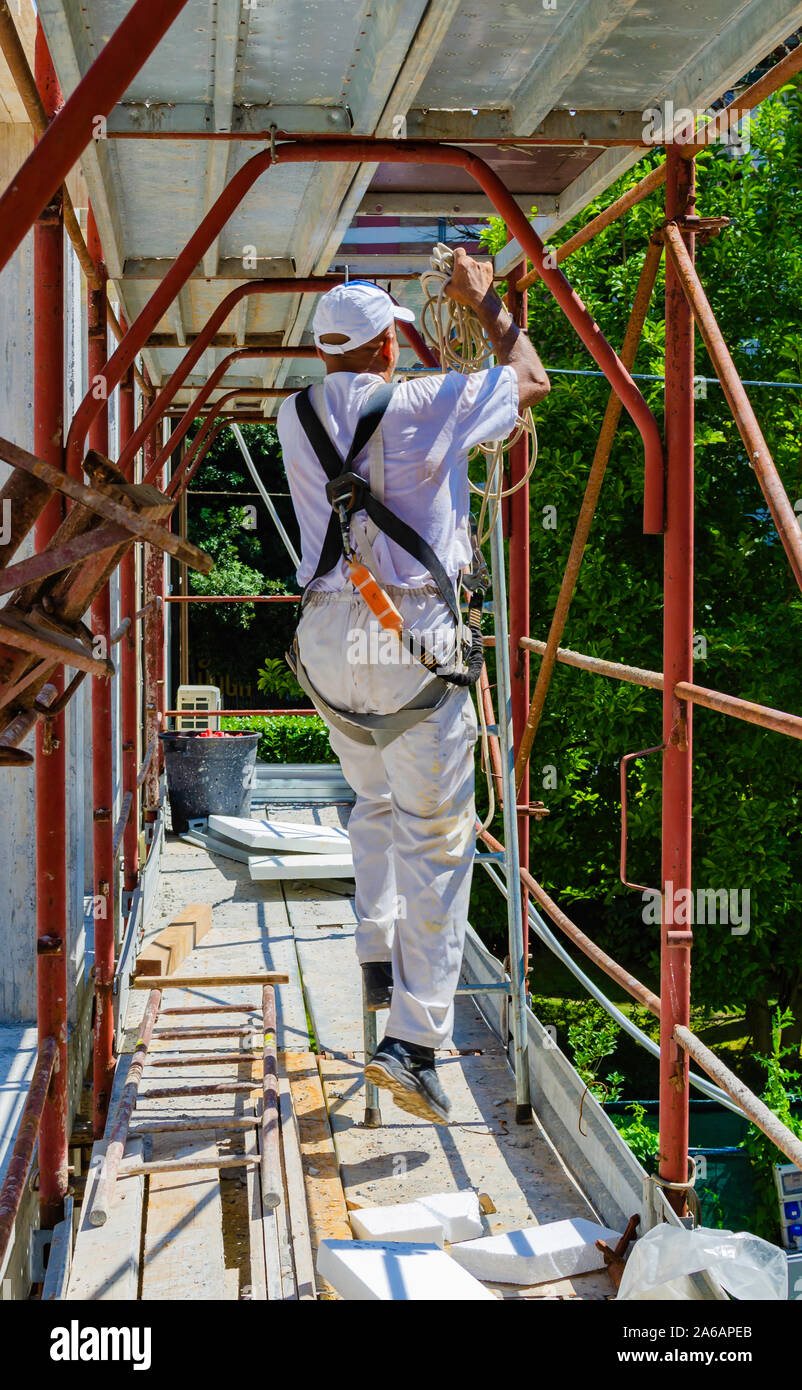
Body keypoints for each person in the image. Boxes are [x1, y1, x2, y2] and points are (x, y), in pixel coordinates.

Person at [277, 248, 549, 1124]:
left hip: (328, 640)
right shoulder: (429, 403)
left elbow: (376, 414)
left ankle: (377, 956)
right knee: (436, 836)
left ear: (324, 351)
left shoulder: (293, 414)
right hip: (409, 635)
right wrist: (485, 303)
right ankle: (415, 1041)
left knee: (375, 806)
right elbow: (530, 380)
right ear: (392, 345)